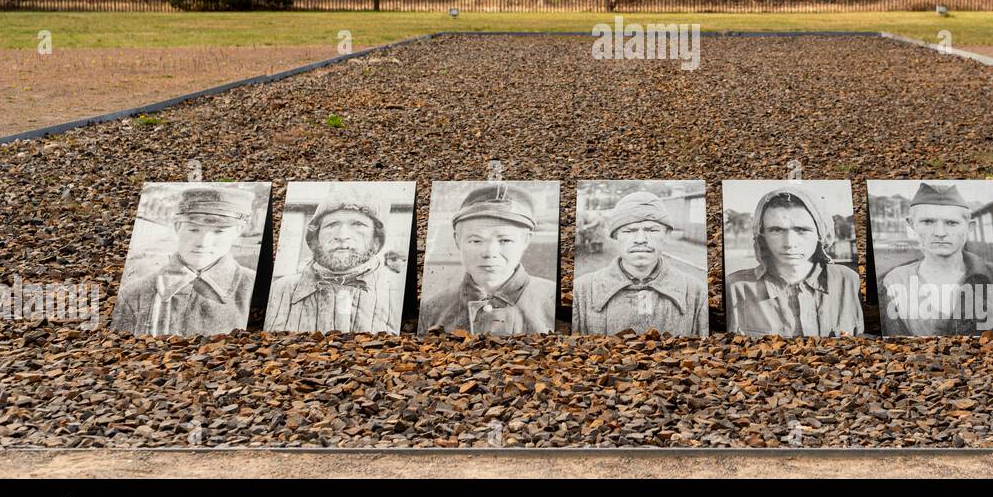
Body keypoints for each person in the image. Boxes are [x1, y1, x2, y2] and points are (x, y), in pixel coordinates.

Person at [112, 186, 258, 335]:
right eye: (193, 229)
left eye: (218, 231)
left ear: (238, 231)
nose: (203, 242)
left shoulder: (254, 289)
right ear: (177, 226)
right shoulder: (134, 294)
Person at [879, 183, 993, 335]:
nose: (940, 232)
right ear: (911, 225)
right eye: (928, 222)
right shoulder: (892, 281)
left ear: (969, 227)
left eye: (951, 223)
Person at [726, 187, 863, 338]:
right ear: (762, 234)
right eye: (776, 230)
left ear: (820, 233)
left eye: (802, 230)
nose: (789, 243)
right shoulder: (735, 288)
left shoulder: (849, 280)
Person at [420, 183, 556, 335]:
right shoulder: (432, 309)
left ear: (526, 241)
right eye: (476, 240)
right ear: (457, 240)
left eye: (505, 240)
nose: (490, 252)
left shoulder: (553, 302)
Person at [265, 190, 404, 333]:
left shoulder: (399, 292)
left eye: (358, 224)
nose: (342, 235)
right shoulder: (281, 289)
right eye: (332, 225)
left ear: (376, 238)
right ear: (315, 236)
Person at [573, 190, 707, 336]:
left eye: (651, 229)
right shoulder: (581, 292)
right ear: (616, 236)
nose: (641, 239)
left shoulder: (697, 293)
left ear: (666, 235)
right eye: (629, 230)